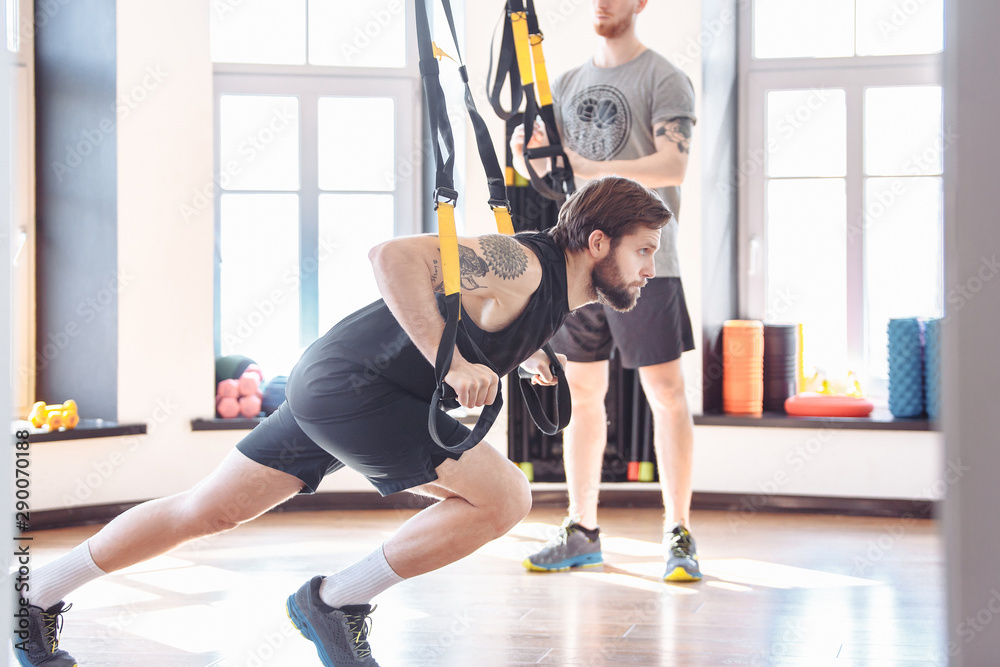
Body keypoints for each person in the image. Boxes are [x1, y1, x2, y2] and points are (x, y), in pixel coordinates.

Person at [14, 176, 672, 667]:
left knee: (203, 510)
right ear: (598, 242)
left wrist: (519, 358)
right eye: (644, 252)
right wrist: (451, 368)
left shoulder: (546, 291)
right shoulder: (524, 262)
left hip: (337, 385)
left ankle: (35, 592)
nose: (650, 269)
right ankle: (335, 599)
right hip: (355, 388)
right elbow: (392, 257)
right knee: (506, 496)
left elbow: (476, 313)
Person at [511, 0, 701, 582]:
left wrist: (584, 166)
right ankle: (582, 527)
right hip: (580, 268)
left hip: (649, 264)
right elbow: (550, 171)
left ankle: (678, 531)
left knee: (665, 394)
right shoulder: (565, 83)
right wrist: (529, 154)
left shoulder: (663, 78)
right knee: (582, 393)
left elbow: (673, 165)